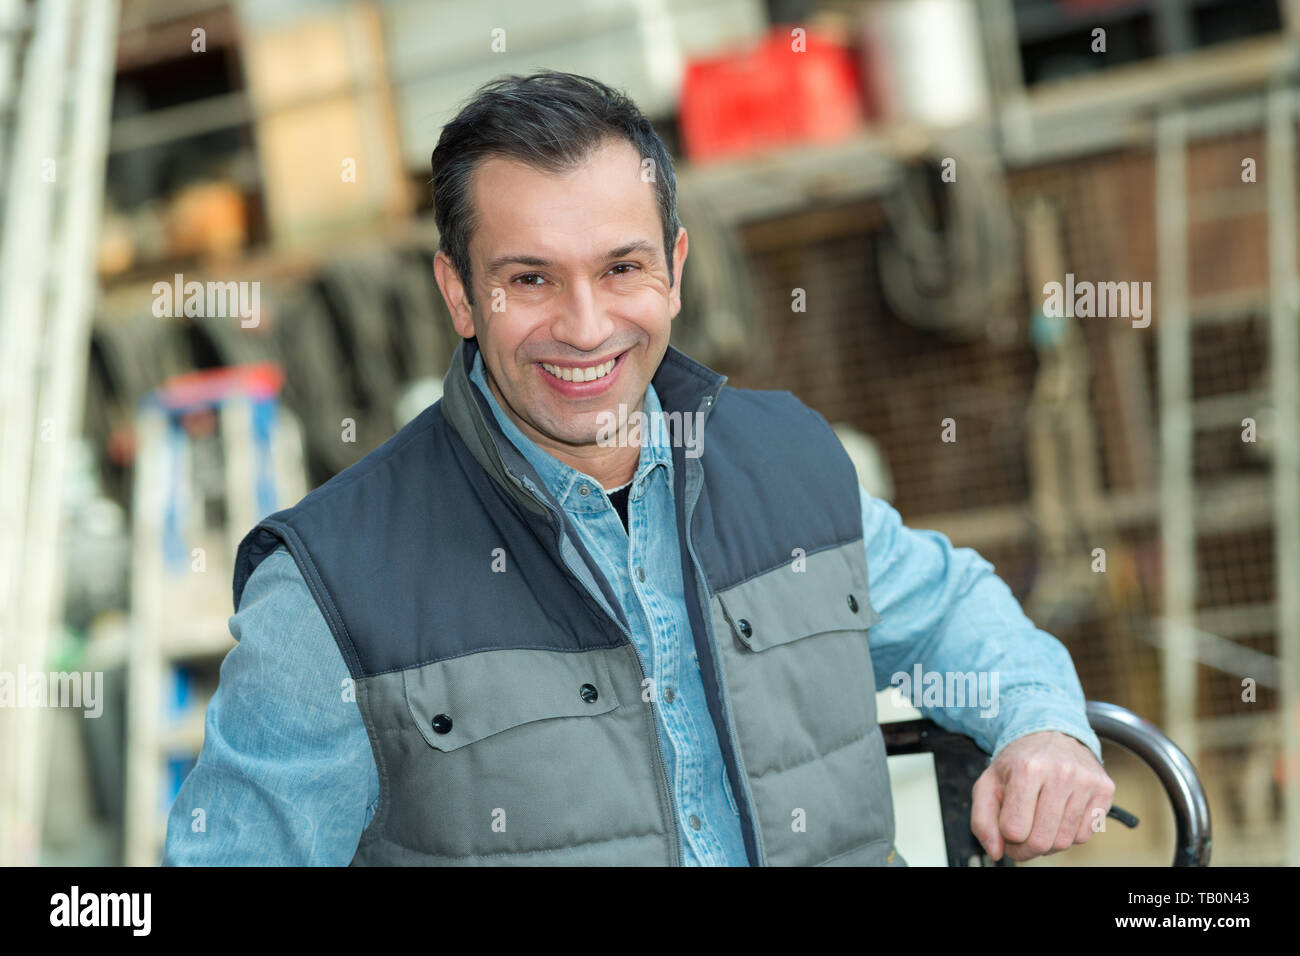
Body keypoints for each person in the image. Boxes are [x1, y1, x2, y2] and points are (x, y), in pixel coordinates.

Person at [163, 70, 1113, 866]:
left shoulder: (790, 467)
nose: (585, 327)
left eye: (622, 268)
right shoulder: (333, 586)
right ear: (458, 293)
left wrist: (1042, 729)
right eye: (530, 278)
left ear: (677, 267)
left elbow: (951, 608)